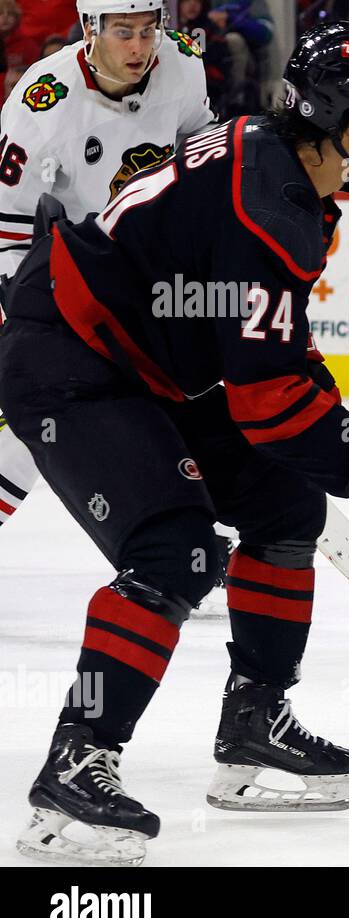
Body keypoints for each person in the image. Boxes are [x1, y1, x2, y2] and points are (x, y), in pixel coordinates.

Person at [1, 20, 349, 867]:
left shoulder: (273, 163)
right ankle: (76, 762)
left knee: (284, 506)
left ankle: (254, 723)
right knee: (174, 551)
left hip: (139, 362)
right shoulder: (272, 208)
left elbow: (274, 357)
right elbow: (266, 405)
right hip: (67, 361)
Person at [0, 0, 216, 535]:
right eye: (124, 32)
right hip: (63, 276)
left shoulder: (184, 65)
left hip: (152, 271)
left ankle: (192, 535)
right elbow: (7, 218)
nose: (140, 47)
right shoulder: (41, 100)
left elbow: (204, 159)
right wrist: (20, 310)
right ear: (90, 28)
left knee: (193, 403)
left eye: (149, 30)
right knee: (35, 418)